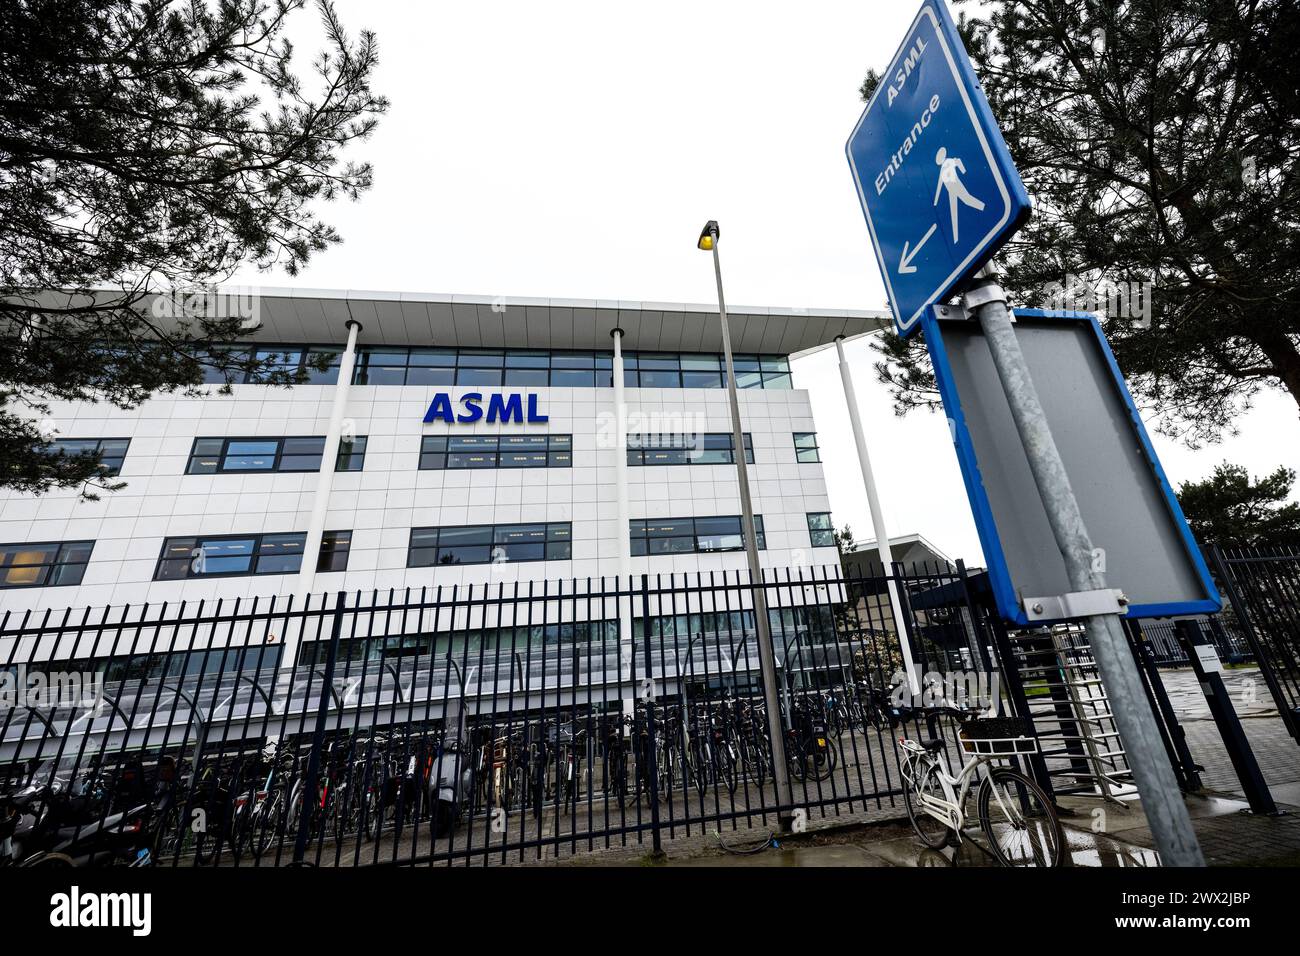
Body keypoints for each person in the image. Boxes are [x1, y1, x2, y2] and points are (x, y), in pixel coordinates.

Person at [933, 147, 986, 243]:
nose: (940, 159)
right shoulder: (942, 169)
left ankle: (984, 208)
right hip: (951, 191)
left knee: (967, 200)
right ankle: (956, 238)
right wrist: (936, 201)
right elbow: (939, 185)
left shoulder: (949, 161)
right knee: (953, 212)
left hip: (957, 185)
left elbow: (958, 162)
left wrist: (963, 170)